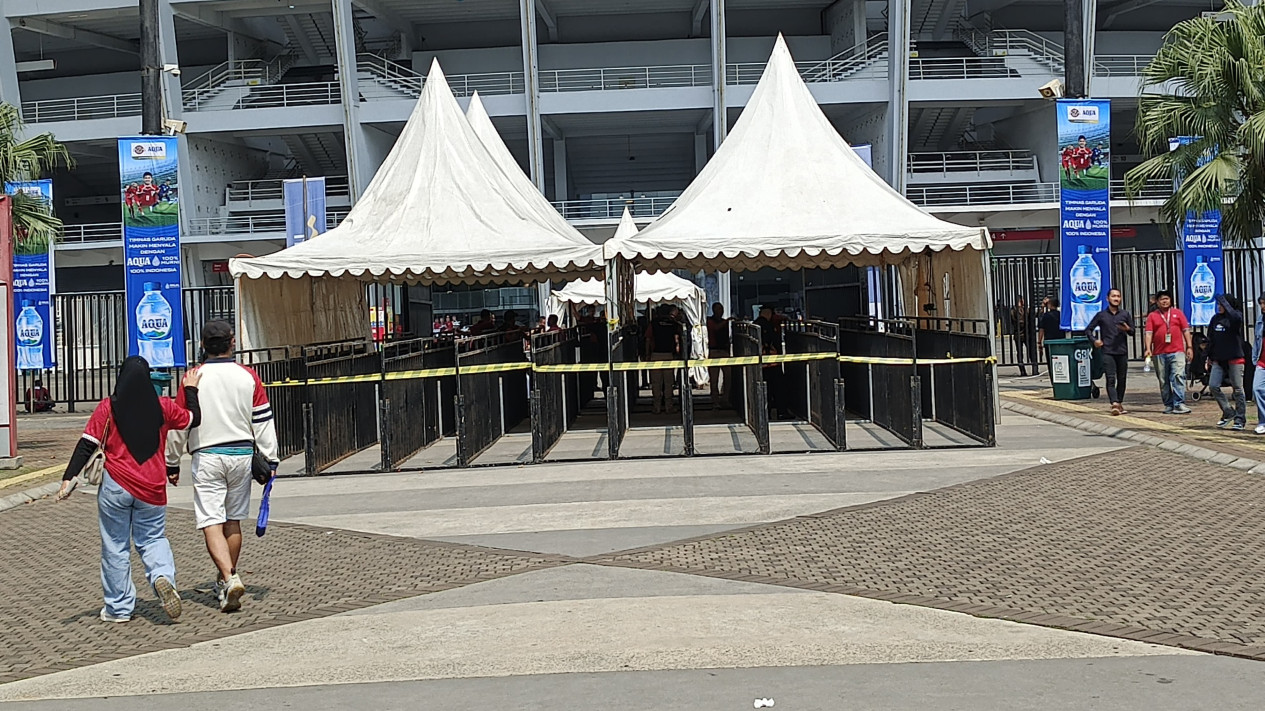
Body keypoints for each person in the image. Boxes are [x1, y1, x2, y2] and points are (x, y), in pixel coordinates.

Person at [56, 357, 201, 624]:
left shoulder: (108, 407)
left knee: (115, 546)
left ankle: (118, 608)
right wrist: (190, 389)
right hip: (152, 487)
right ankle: (162, 577)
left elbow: (87, 444)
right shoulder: (164, 406)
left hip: (116, 485)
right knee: (153, 539)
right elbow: (193, 419)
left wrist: (68, 478)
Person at [166, 321, 279, 613]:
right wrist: (271, 458)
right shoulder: (248, 376)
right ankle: (227, 578)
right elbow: (263, 420)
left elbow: (180, 424)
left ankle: (229, 578)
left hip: (207, 455)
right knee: (233, 521)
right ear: (232, 343)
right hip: (241, 454)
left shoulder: (192, 378)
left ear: (202, 345)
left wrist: (172, 462)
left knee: (211, 521)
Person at [1085, 288, 1134, 416]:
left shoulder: (1125, 314)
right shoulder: (1101, 315)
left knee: (1122, 379)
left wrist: (1127, 329)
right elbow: (1088, 330)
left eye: (1118, 296)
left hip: (1122, 351)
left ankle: (1119, 402)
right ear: (1108, 298)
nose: (1116, 298)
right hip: (1107, 351)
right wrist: (1094, 341)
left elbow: (1132, 332)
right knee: (1110, 378)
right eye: (1113, 296)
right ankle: (1114, 403)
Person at [1144, 290, 1193, 414]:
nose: (1164, 301)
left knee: (1178, 375)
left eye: (1166, 298)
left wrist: (1189, 347)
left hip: (1177, 351)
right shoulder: (1152, 316)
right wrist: (1148, 348)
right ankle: (1168, 404)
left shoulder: (1178, 313)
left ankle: (1179, 403)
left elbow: (1186, 330)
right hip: (1159, 353)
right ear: (1157, 302)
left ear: (1171, 300)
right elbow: (1149, 333)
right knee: (1163, 380)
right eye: (1161, 299)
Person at [1207, 294, 1247, 430]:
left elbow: (1236, 318)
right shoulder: (1215, 319)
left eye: (1222, 305)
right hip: (1218, 359)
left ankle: (1240, 418)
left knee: (1237, 388)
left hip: (1235, 358)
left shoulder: (1235, 318)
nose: (1219, 307)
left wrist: (1226, 304)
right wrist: (1208, 357)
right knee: (1213, 385)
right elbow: (1211, 339)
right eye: (1218, 304)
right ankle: (1228, 411)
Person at [755, 307, 790, 420]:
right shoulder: (768, 326)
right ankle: (781, 412)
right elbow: (774, 341)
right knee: (779, 389)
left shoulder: (755, 325)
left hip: (761, 363)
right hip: (772, 363)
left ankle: (766, 414)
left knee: (766, 390)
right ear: (769, 313)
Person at [645, 305, 681, 414]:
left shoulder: (653, 323)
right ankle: (669, 406)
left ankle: (657, 407)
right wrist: (677, 353)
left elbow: (648, 339)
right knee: (668, 382)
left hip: (656, 355)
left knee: (656, 382)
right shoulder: (673, 323)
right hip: (668, 355)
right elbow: (677, 339)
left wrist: (647, 354)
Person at [706, 303, 731, 410]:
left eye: (721, 309)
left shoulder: (724, 322)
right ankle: (715, 401)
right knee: (714, 378)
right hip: (714, 351)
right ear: (713, 310)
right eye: (718, 309)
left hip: (724, 351)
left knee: (728, 377)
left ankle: (725, 399)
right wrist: (727, 321)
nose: (720, 311)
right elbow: (715, 328)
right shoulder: (710, 321)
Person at [1010, 296, 1038, 376]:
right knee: (1031, 352)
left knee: (1020, 353)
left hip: (1018, 335)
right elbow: (1022, 322)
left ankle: (1023, 370)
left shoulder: (1013, 311)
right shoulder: (1024, 310)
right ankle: (1034, 368)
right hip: (1026, 334)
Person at [1036, 296, 1064, 369]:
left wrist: (1039, 342)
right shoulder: (1061, 315)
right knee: (1061, 359)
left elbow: (1041, 329)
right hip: (1061, 340)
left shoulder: (1046, 316)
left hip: (1049, 340)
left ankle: (1051, 372)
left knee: (1050, 360)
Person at [1252, 294, 1265, 434]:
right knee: (1257, 389)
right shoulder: (1260, 320)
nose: (1262, 306)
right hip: (1262, 362)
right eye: (1260, 303)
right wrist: (1255, 359)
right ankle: (1263, 421)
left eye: (1264, 303)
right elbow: (1257, 341)